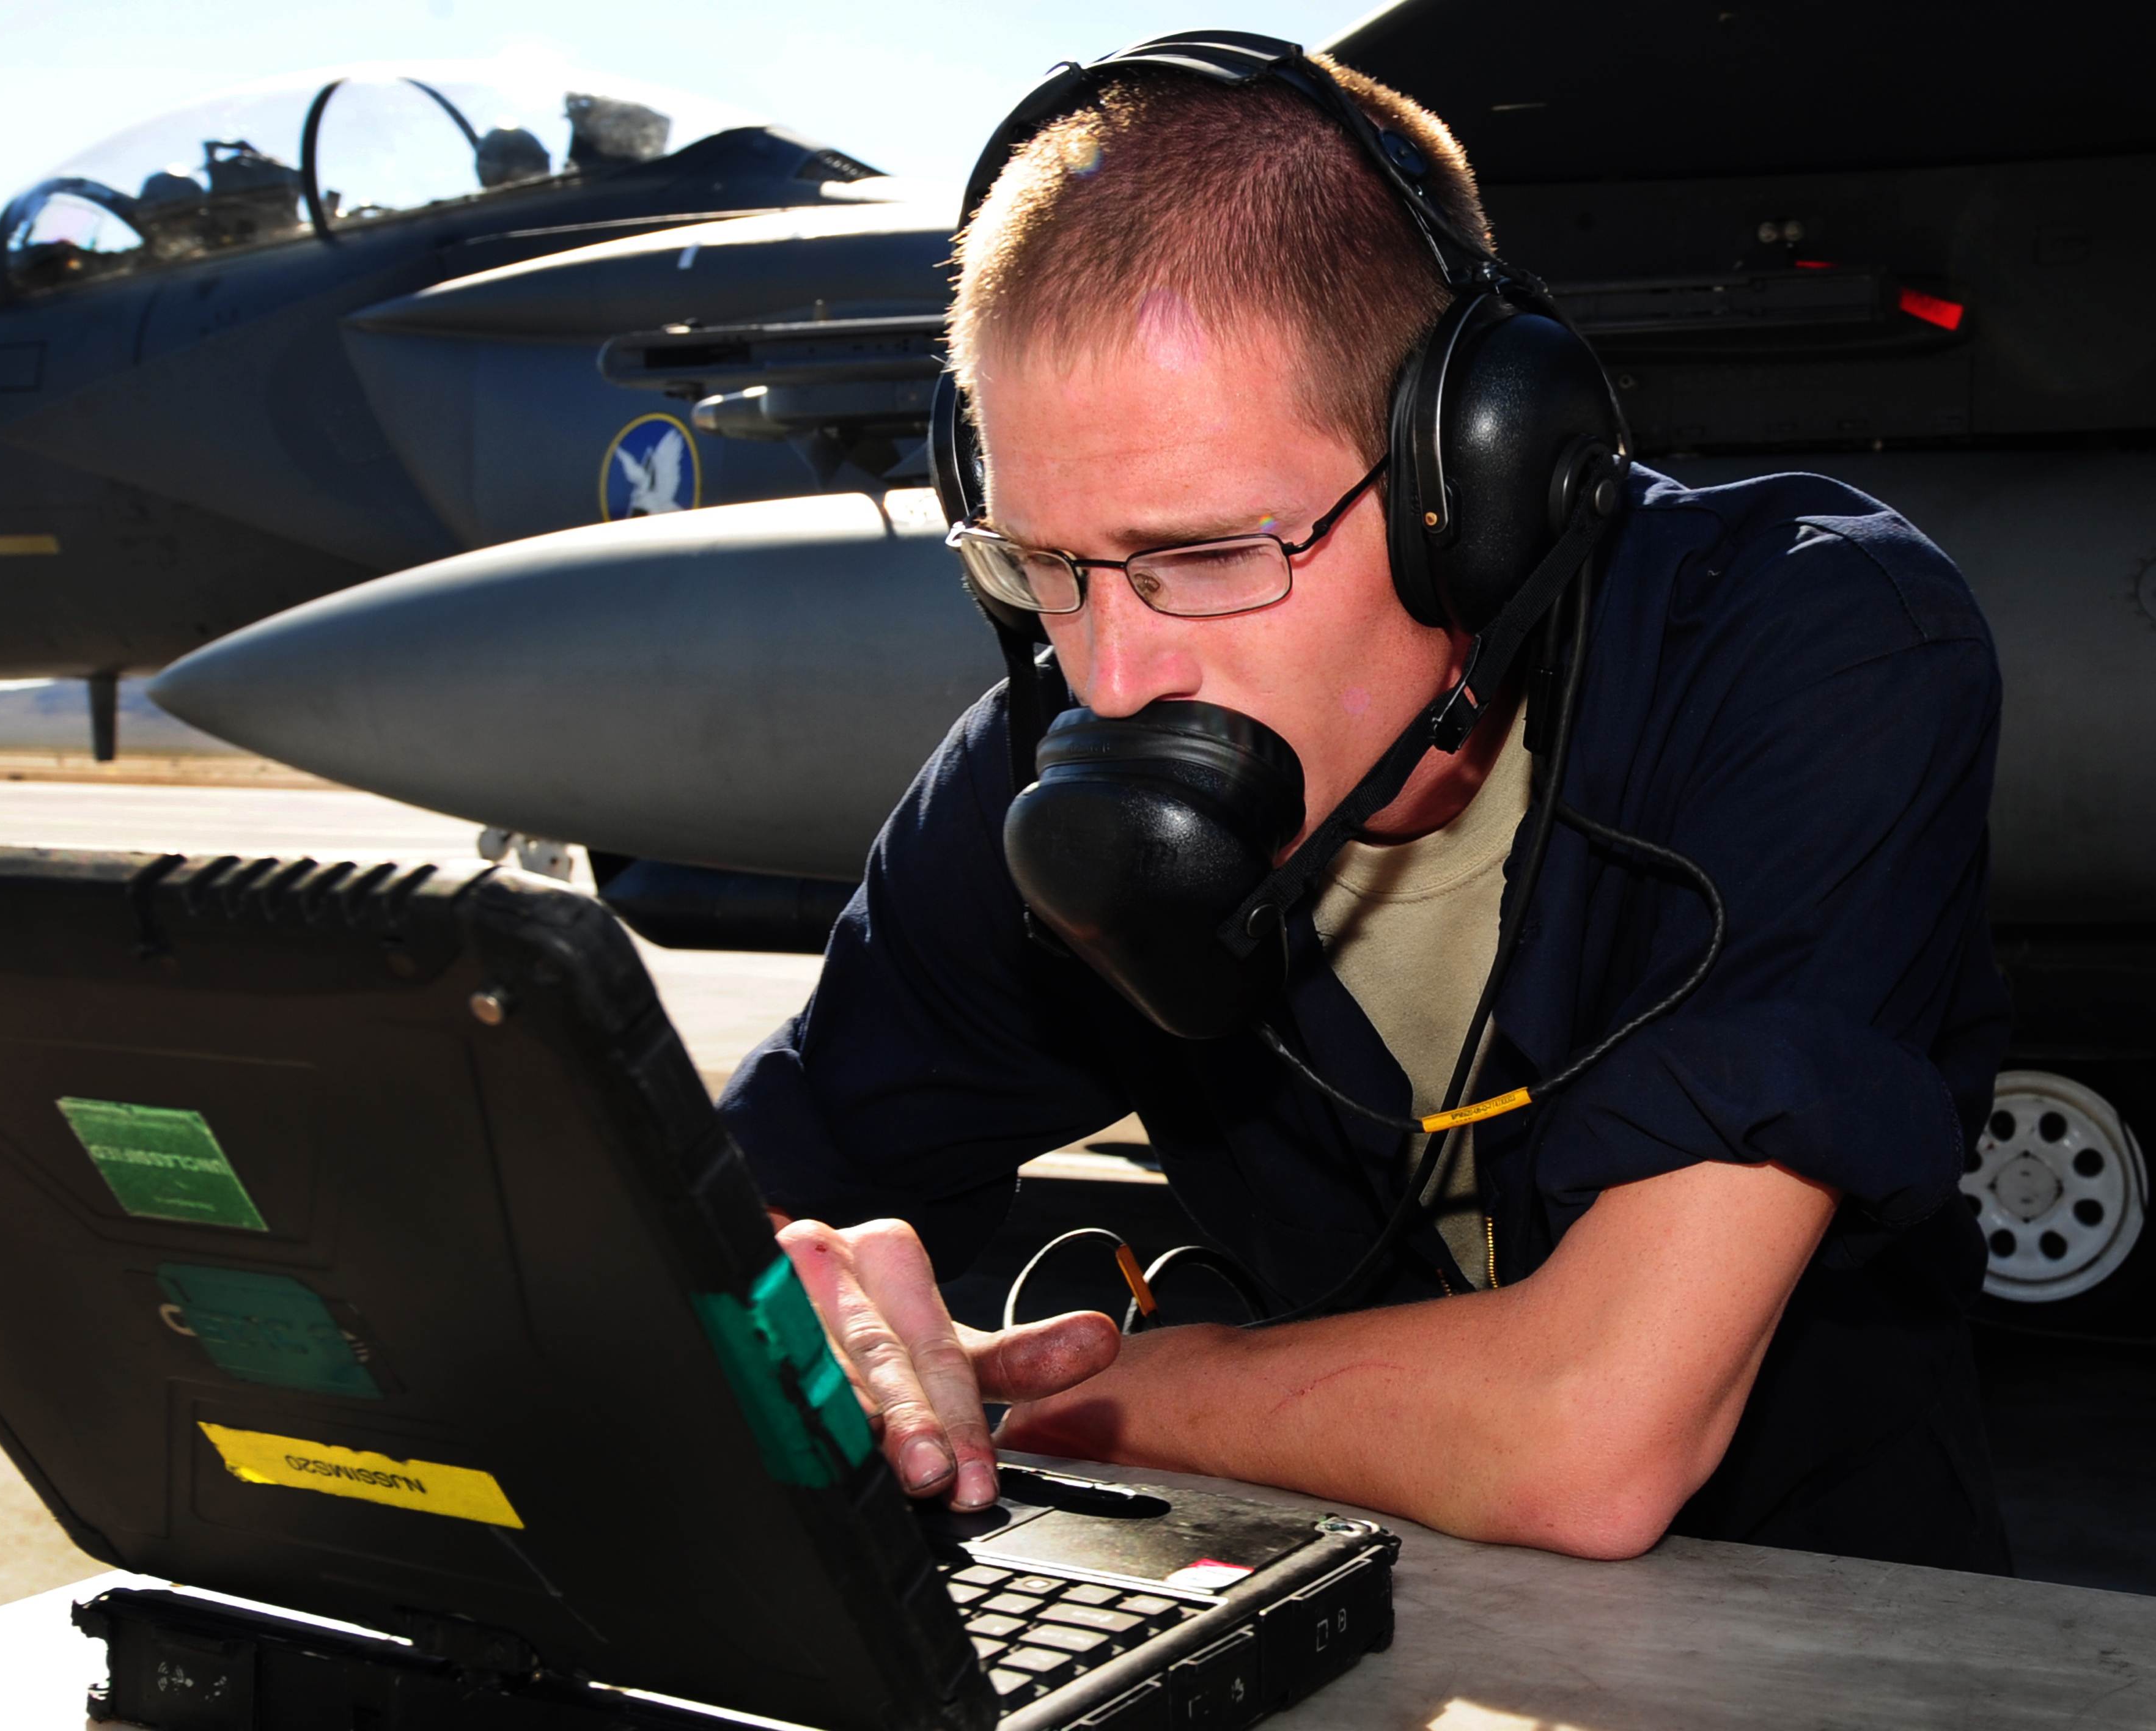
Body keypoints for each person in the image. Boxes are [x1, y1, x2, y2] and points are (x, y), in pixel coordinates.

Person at [718, 48, 2011, 1569]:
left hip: (1822, 1630)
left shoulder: (1813, 647)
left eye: (1202, 555)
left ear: (1466, 487)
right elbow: (718, 1226)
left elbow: (1588, 1439)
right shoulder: (1049, 759)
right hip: (1359, 1612)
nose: (1117, 677)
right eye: (1047, 569)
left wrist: (1109, 1391)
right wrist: (800, 1299)